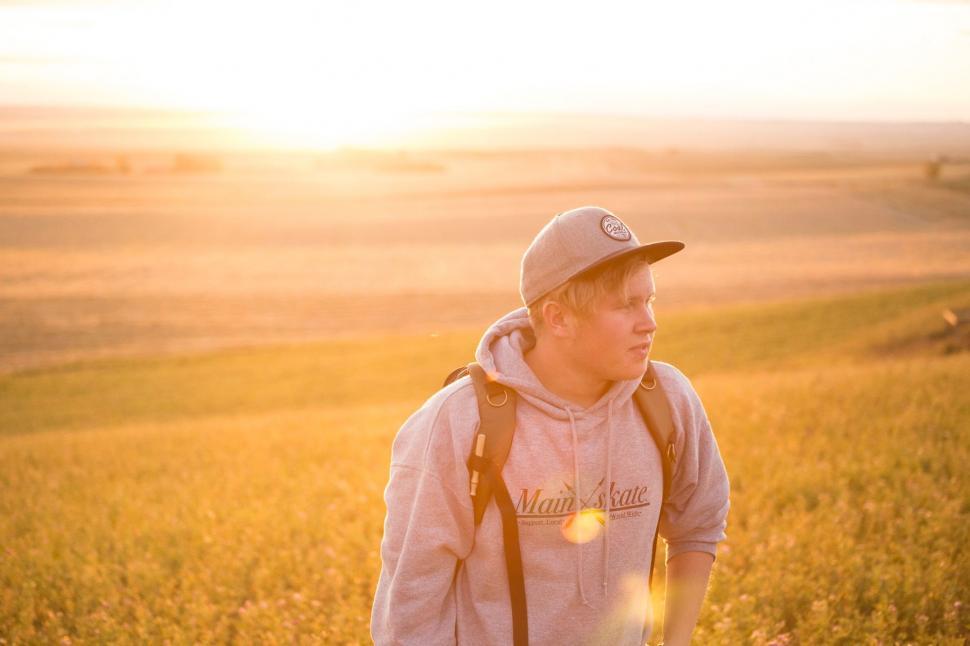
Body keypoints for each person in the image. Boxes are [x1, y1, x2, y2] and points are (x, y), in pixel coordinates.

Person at [371, 205, 731, 646]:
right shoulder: (458, 422)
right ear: (559, 318)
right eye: (626, 306)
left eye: (650, 300)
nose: (649, 323)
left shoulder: (668, 399)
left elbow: (698, 523)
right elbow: (410, 607)